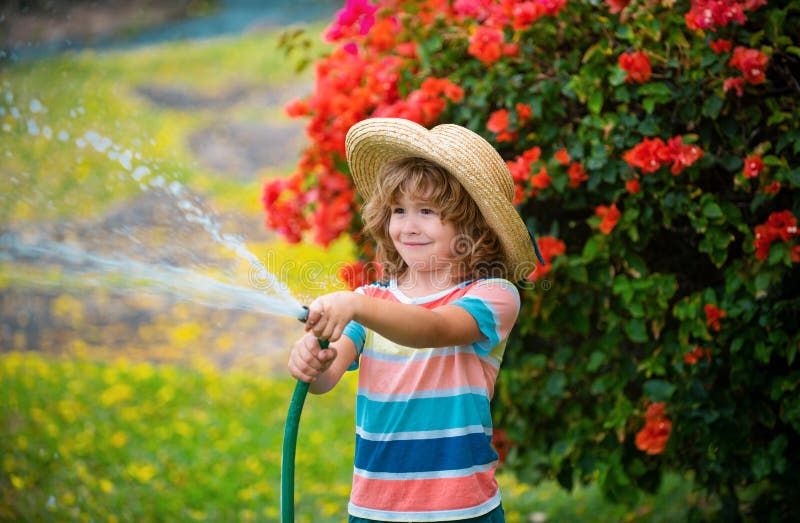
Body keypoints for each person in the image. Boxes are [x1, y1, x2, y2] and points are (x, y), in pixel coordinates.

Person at [288, 117, 544, 522]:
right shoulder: (371, 299)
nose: (408, 226)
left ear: (473, 227)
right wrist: (312, 361)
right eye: (398, 211)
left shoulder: (492, 296)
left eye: (427, 211)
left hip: (461, 509)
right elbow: (326, 375)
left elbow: (434, 329)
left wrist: (355, 307)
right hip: (376, 509)